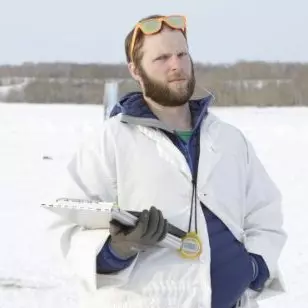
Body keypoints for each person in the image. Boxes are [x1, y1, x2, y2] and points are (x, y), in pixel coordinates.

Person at [47, 14, 287, 308]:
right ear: (135, 70)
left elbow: (265, 213)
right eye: (161, 58)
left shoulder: (228, 139)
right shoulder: (109, 141)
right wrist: (117, 249)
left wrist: (255, 267)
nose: (176, 65)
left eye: (182, 54)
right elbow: (67, 225)